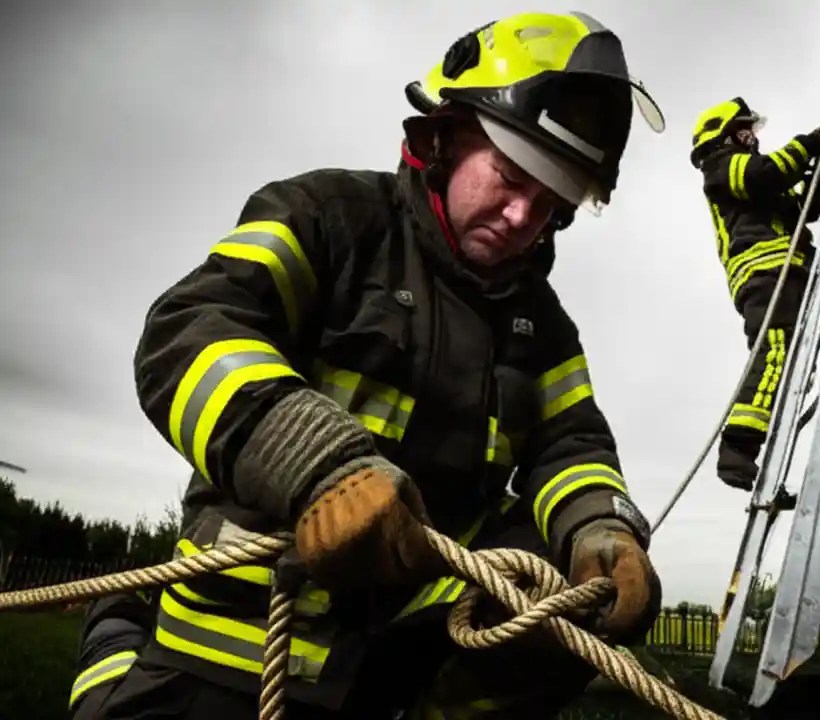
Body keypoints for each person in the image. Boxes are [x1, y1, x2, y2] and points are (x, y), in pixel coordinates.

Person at [68, 11, 667, 719]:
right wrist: (316, 465)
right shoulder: (330, 216)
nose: (520, 217)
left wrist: (602, 525)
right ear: (445, 136)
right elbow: (187, 334)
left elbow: (571, 446)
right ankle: (115, 628)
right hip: (244, 637)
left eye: (550, 206)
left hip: (396, 657)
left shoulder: (545, 329)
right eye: (509, 177)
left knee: (558, 570)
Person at [689, 97, 820, 501]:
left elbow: (803, 209)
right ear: (728, 132)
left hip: (787, 272)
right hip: (765, 275)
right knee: (774, 352)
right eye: (747, 128)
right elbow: (765, 174)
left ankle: (778, 469)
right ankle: (737, 450)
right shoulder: (721, 167)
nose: (753, 136)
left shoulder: (751, 180)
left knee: (794, 368)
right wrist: (811, 143)